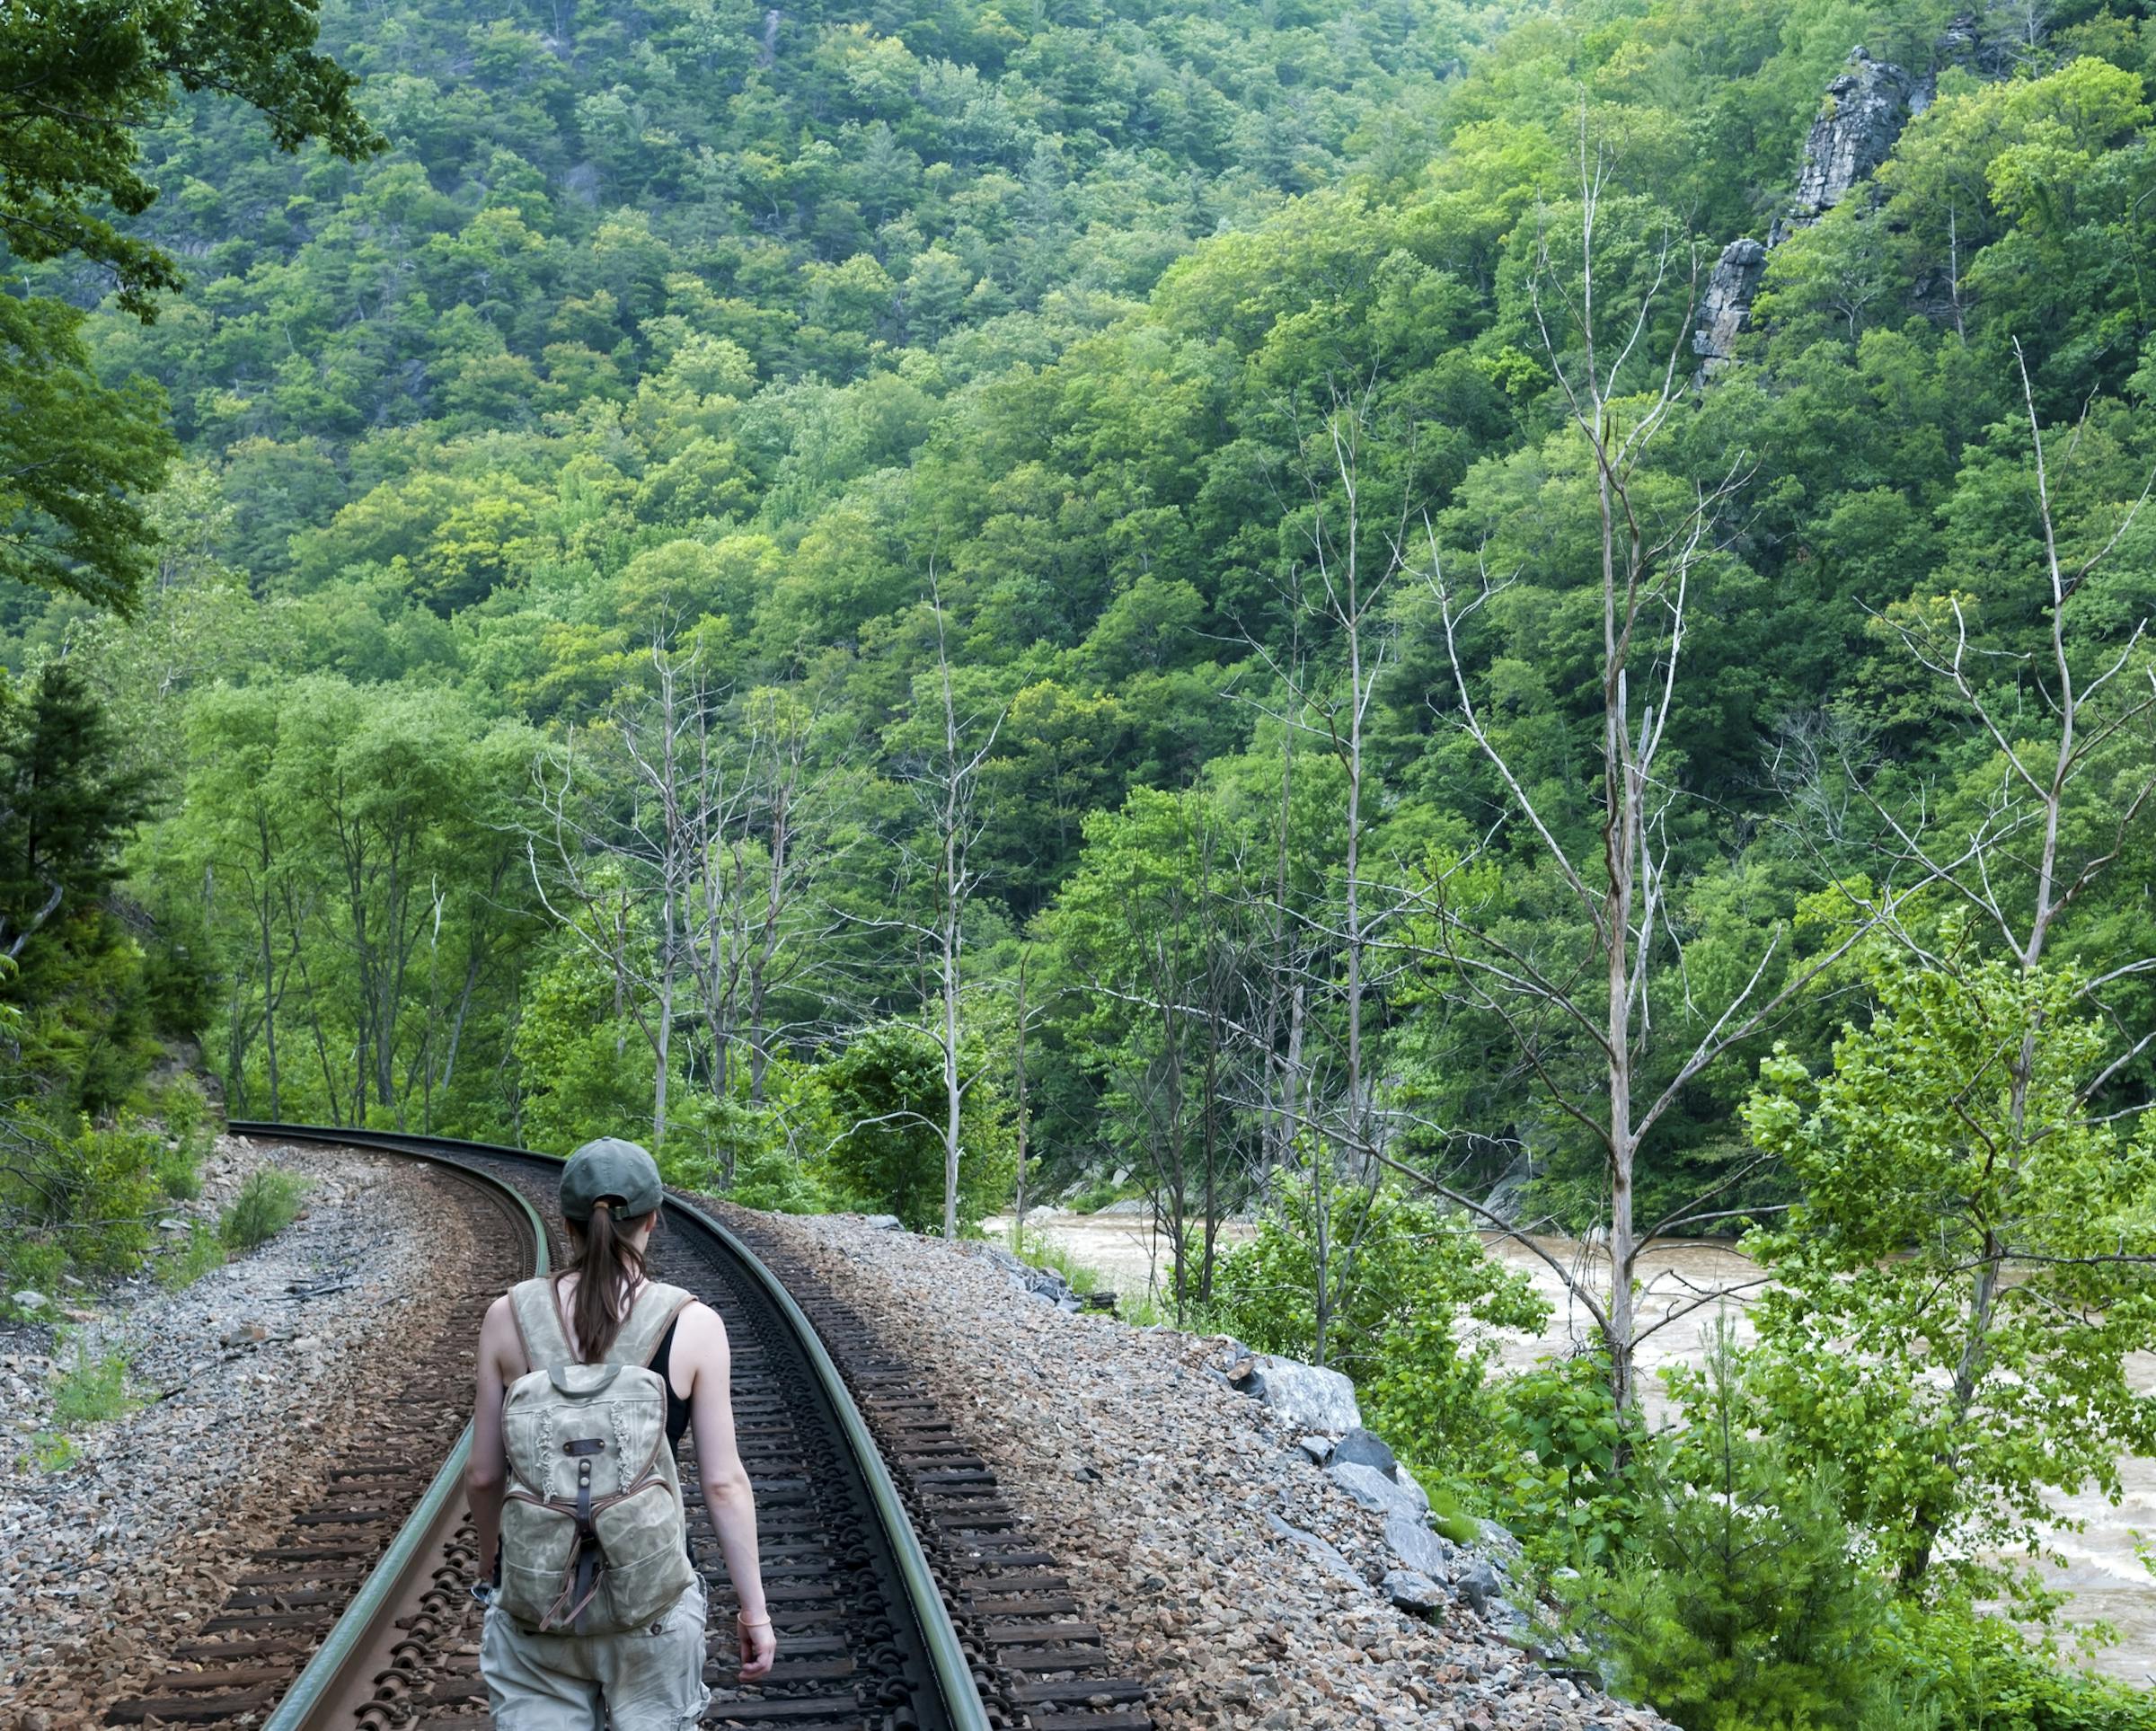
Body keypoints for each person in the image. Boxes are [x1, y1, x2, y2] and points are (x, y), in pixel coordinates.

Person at [467, 1136, 775, 1728]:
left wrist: (494, 1574)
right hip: (650, 1610)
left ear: (567, 1224)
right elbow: (723, 1484)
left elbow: (483, 1474)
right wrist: (754, 1610)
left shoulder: (507, 1318)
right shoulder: (694, 1324)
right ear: (653, 1219)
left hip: (537, 1610)